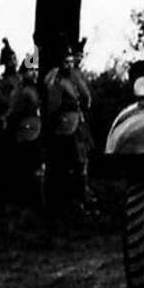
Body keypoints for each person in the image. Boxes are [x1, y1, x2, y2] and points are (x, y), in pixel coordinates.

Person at [43, 38, 94, 212]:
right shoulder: (56, 81)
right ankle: (72, 201)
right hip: (64, 126)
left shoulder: (75, 76)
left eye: (71, 61)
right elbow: (53, 107)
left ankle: (83, 198)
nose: (70, 64)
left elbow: (86, 97)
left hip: (77, 122)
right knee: (69, 164)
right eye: (66, 61)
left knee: (82, 162)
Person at [4, 51, 45, 208]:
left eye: (35, 70)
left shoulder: (34, 89)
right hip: (26, 133)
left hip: (36, 130)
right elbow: (14, 113)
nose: (33, 73)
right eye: (30, 70)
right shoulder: (21, 91)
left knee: (37, 170)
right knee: (29, 170)